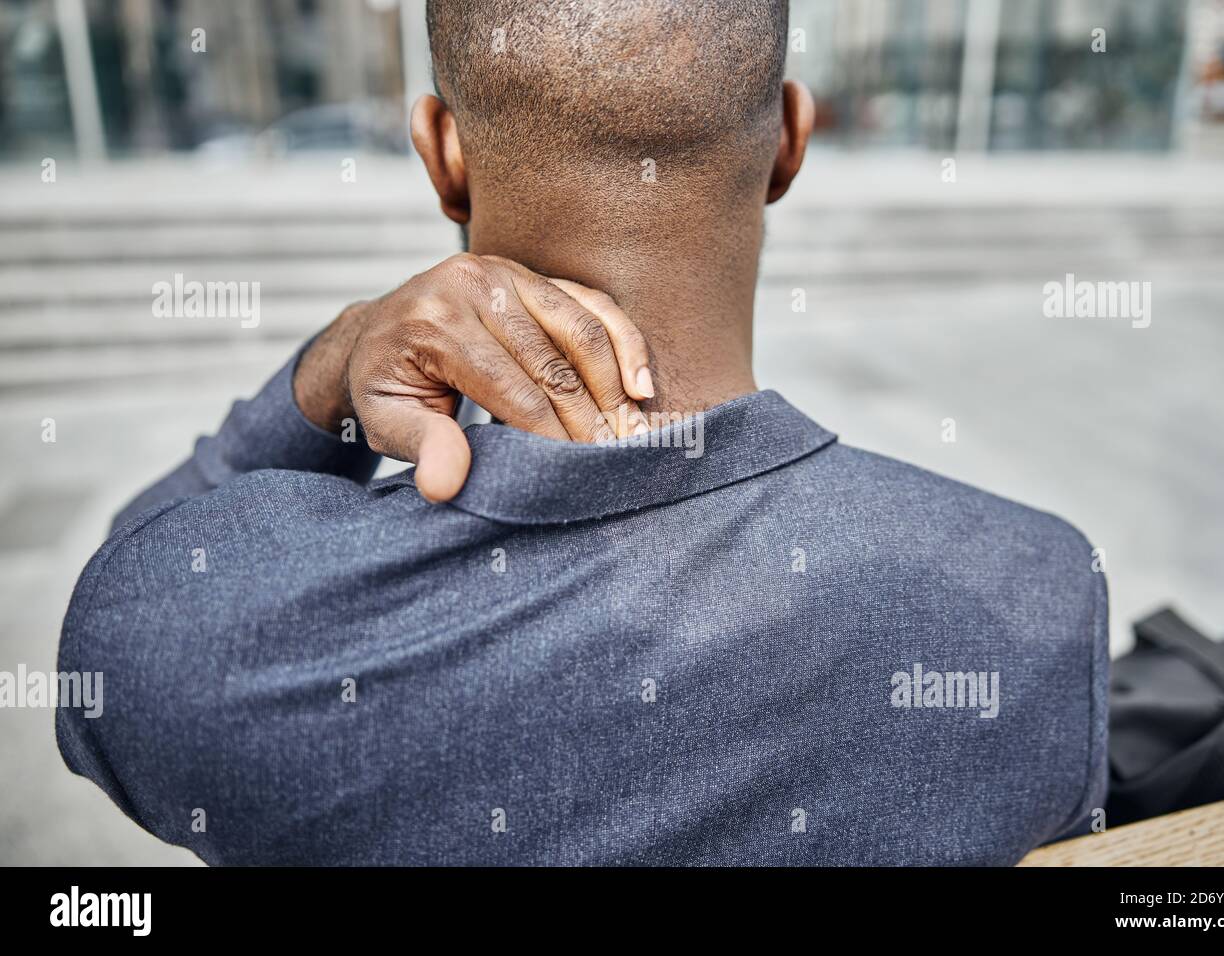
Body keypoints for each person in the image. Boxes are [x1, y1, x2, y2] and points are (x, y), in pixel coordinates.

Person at [56, 0, 1107, 865]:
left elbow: (134, 572)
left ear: (441, 154)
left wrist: (331, 364)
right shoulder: (1033, 593)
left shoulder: (207, 633)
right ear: (789, 138)